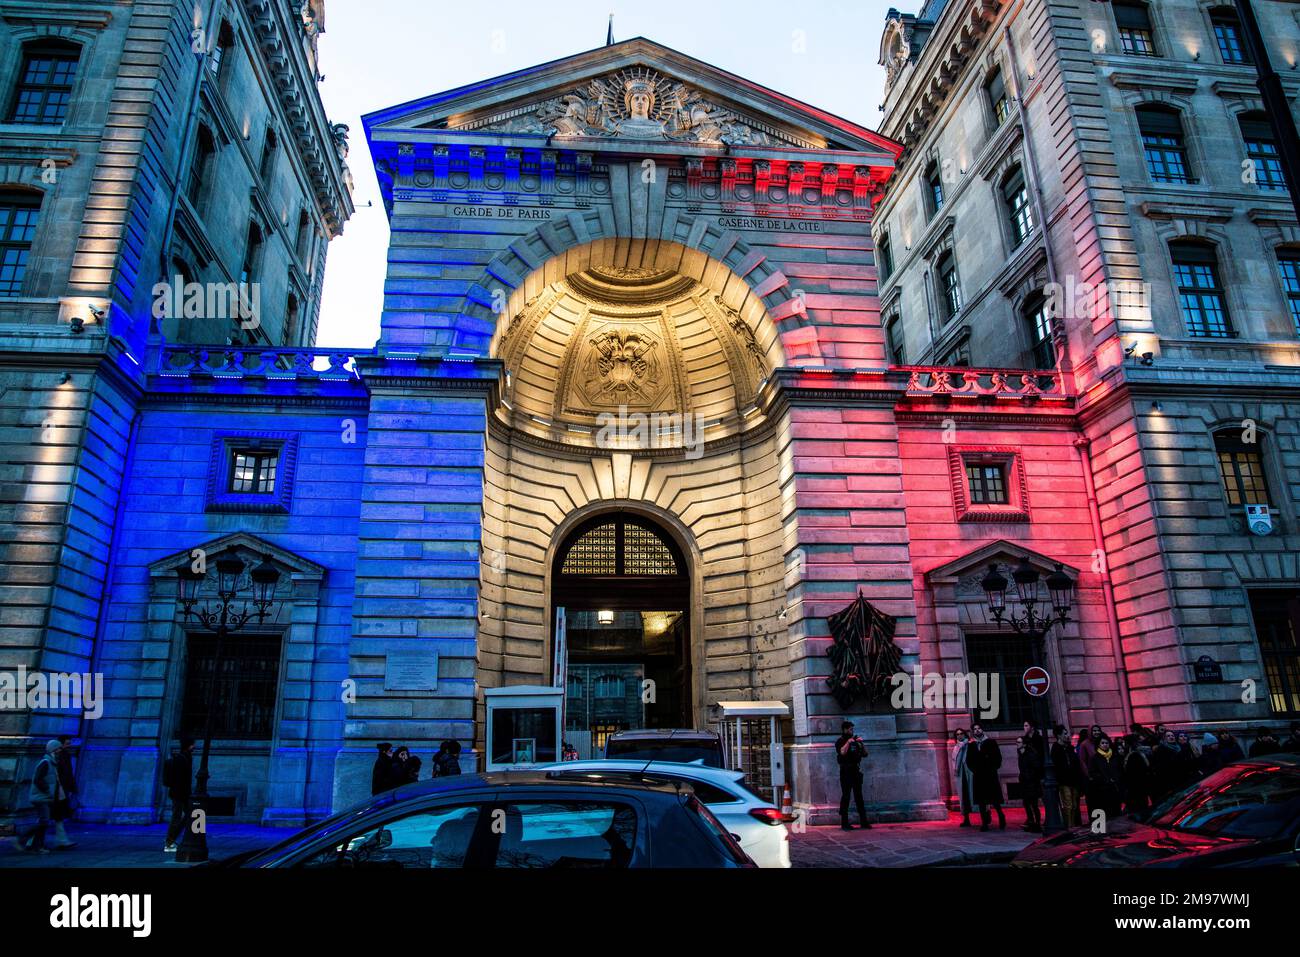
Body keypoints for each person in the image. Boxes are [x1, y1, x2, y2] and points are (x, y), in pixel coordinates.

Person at [17, 740, 64, 854]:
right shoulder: (45, 762)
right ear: (53, 750)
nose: (60, 751)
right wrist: (48, 791)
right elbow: (38, 779)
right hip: (41, 797)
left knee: (43, 822)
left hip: (45, 797)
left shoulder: (52, 762)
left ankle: (35, 844)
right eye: (58, 749)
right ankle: (29, 842)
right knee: (44, 822)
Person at [966, 724, 1006, 832]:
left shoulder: (991, 742)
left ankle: (1001, 817)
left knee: (995, 800)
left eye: (979, 728)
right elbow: (968, 760)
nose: (977, 730)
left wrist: (993, 768)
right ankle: (984, 823)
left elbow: (998, 757)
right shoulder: (972, 744)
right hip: (979, 775)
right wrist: (975, 770)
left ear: (982, 729)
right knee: (981, 801)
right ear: (973, 732)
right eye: (975, 729)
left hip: (990, 774)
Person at [835, 721, 872, 830]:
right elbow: (842, 752)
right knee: (846, 796)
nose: (852, 731)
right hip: (846, 772)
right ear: (845, 730)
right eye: (850, 729)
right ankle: (844, 823)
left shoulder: (855, 741)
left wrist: (861, 743)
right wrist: (848, 742)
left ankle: (864, 822)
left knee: (859, 797)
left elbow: (865, 754)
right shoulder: (840, 741)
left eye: (852, 729)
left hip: (856, 771)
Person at [162, 738, 196, 852]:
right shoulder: (183, 759)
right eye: (192, 745)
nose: (194, 747)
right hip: (180, 794)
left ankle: (173, 840)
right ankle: (169, 842)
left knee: (188, 815)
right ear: (189, 746)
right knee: (177, 817)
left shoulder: (184, 757)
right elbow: (182, 780)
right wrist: (187, 794)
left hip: (180, 793)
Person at [1051, 725, 1082, 828]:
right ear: (1059, 736)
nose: (1067, 735)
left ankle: (1072, 825)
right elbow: (1057, 765)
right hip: (1064, 781)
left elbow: (1075, 762)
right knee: (1068, 805)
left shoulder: (1069, 747)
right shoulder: (1056, 748)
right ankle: (1068, 826)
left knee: (1074, 805)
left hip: (1074, 780)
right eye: (1065, 733)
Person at [50, 734, 78, 849]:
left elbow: (68, 773)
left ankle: (62, 840)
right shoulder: (52, 759)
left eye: (69, 743)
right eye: (67, 744)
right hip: (55, 791)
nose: (69, 746)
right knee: (47, 818)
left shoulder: (64, 755)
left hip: (60, 790)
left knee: (57, 816)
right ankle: (28, 840)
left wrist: (72, 788)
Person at [1087, 736, 1122, 820]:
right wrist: (1105, 779)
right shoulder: (1095, 758)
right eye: (1102, 743)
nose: (1105, 745)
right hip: (1102, 790)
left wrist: (1116, 779)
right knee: (1106, 812)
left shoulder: (1114, 756)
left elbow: (1119, 769)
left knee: (1116, 811)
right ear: (1098, 745)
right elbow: (1093, 773)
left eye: (1106, 743)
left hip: (1115, 788)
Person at [1015, 735, 1043, 833]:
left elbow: (1036, 768)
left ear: (1024, 744)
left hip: (1031, 783)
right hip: (1025, 783)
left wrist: (1030, 777)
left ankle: (1037, 824)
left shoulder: (1030, 754)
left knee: (1033, 805)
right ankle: (1031, 822)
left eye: (1019, 742)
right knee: (1027, 804)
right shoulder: (1021, 754)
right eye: (1016, 742)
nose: (1017, 744)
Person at [1121, 734, 1152, 817]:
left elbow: (1134, 775)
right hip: (1139, 790)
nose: (1123, 744)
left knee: (1137, 813)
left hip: (1136, 791)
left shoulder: (1133, 756)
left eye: (1124, 742)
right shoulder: (1137, 754)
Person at [951, 728, 976, 827]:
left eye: (961, 734)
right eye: (957, 734)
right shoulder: (956, 747)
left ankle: (985, 815)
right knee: (964, 797)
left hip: (969, 773)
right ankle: (966, 819)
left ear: (965, 735)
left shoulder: (970, 745)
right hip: (961, 774)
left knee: (974, 795)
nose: (959, 736)